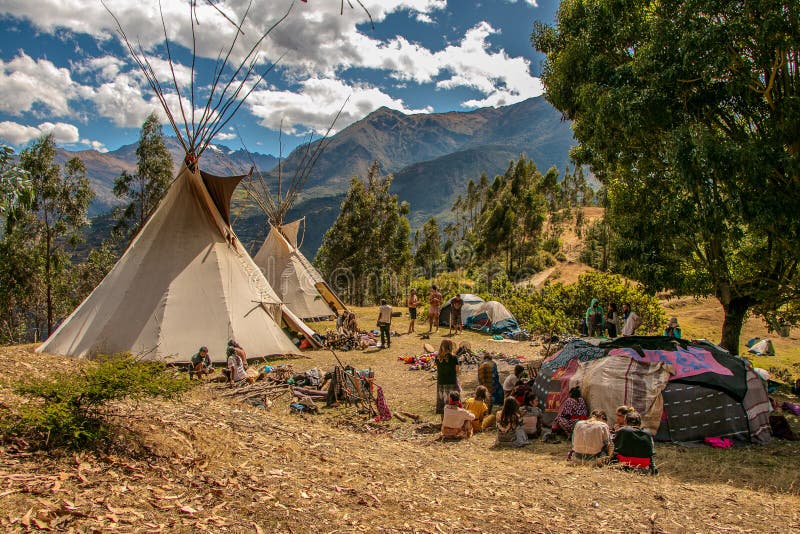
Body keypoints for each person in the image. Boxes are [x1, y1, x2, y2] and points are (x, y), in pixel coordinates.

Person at [435, 339, 460, 418]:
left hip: (441, 382)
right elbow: (457, 370)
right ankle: (452, 420)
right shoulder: (454, 357)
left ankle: (443, 420)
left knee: (442, 402)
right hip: (451, 382)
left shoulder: (438, 357)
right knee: (452, 401)